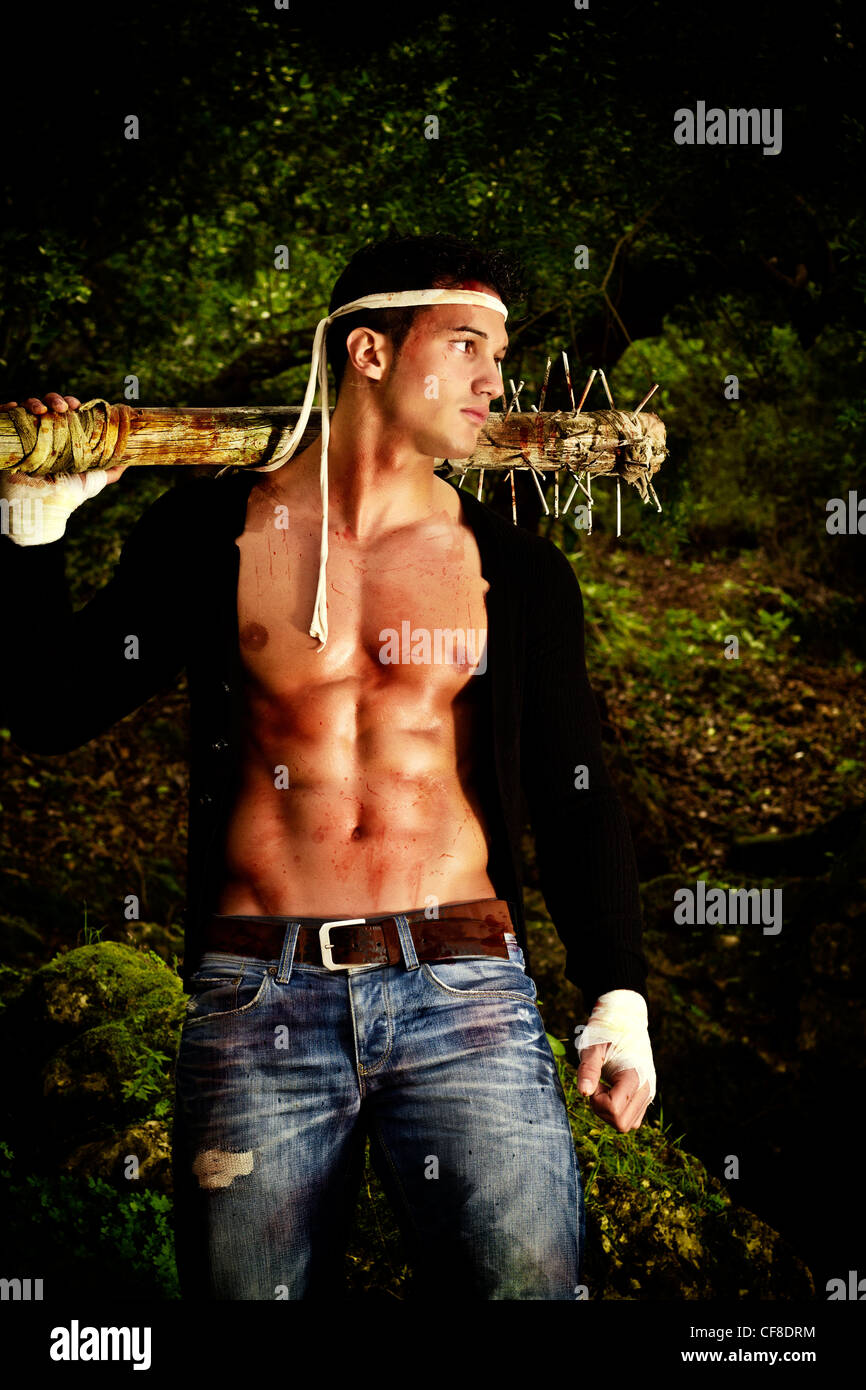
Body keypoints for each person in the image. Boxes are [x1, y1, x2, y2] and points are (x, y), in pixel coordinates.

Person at [0, 232, 655, 1301]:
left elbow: (574, 790)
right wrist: (32, 535)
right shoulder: (209, 535)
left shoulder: (516, 571)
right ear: (369, 351)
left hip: (466, 992)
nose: (495, 382)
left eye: (499, 355)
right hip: (256, 989)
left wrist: (618, 993)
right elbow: (51, 711)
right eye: (466, 346)